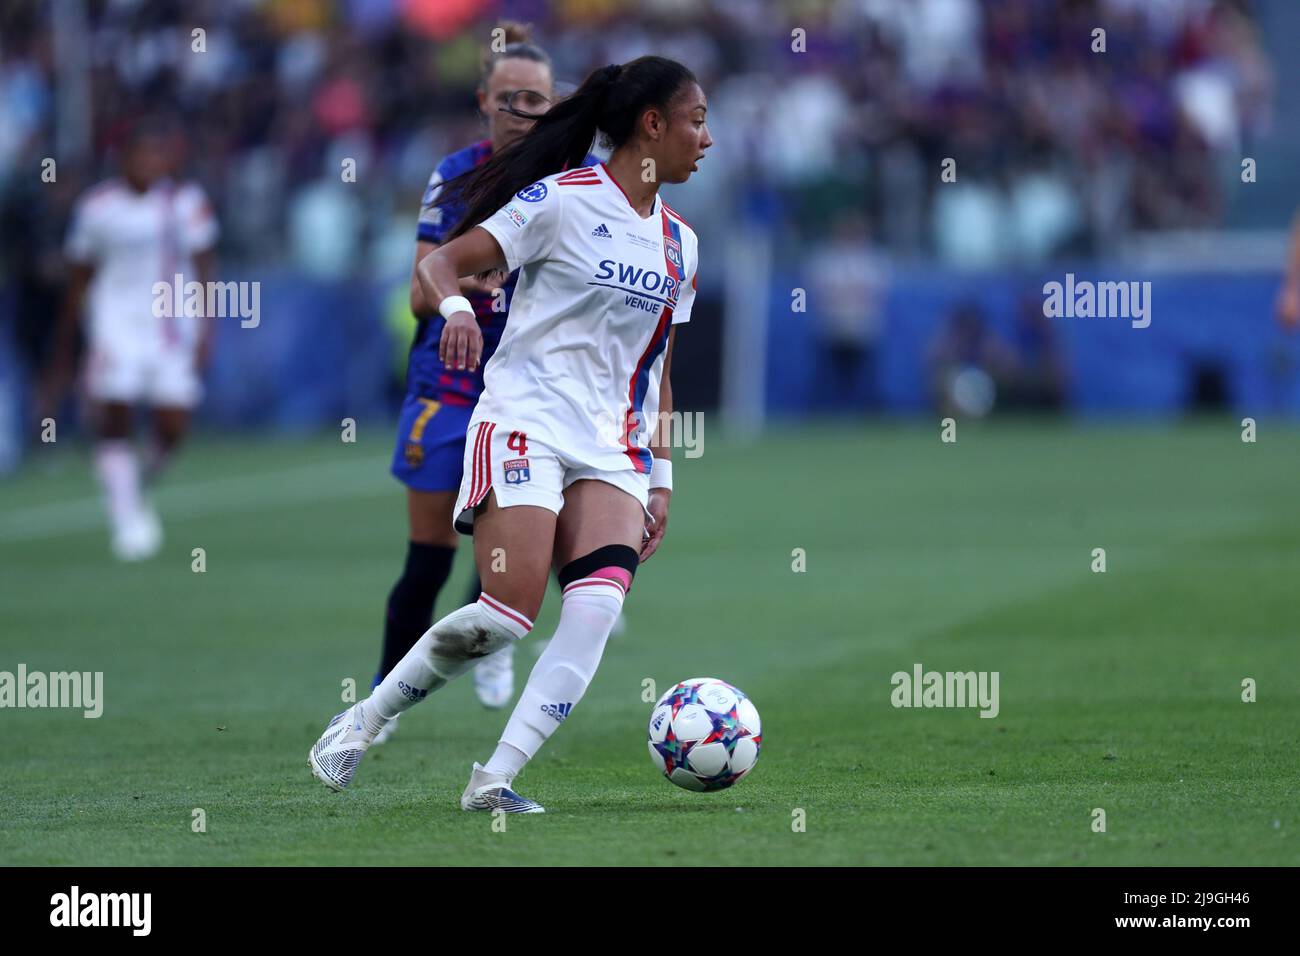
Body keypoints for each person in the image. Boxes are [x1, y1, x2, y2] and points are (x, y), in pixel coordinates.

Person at [310, 55, 711, 813]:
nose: (707, 139)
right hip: (526, 420)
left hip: (614, 448)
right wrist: (458, 311)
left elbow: (658, 367)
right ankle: (364, 719)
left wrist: (662, 478)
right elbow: (440, 266)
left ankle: (493, 780)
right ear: (652, 125)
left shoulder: (682, 244)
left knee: (595, 611)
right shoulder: (559, 201)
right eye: (696, 121)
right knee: (507, 615)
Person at [374, 21, 580, 737]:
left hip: (529, 384)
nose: (522, 111)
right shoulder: (456, 175)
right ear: (483, 101)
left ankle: (494, 642)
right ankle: (383, 694)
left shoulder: (571, 180)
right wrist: (463, 290)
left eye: (536, 100)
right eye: (508, 98)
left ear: (555, 105)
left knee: (520, 531)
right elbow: (417, 292)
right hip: (451, 378)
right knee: (428, 555)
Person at [47, 120, 217, 560]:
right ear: (122, 159)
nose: (148, 163)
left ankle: (134, 482)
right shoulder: (98, 207)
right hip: (116, 325)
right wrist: (67, 340)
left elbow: (204, 267)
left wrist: (208, 328)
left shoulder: (185, 203)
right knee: (116, 411)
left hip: (171, 326)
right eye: (139, 155)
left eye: (155, 155)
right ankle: (126, 517)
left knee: (173, 425)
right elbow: (80, 274)